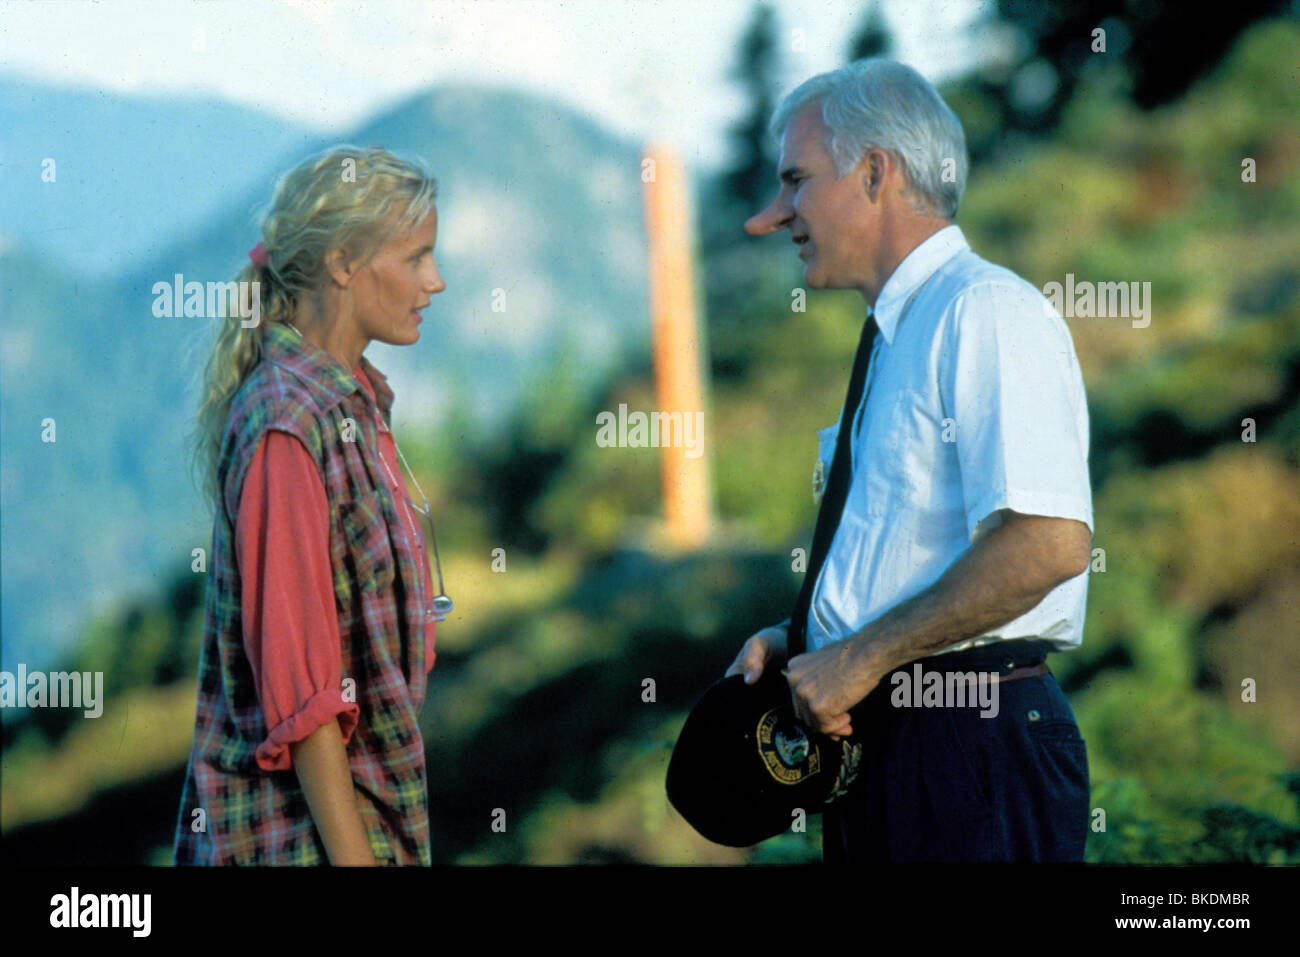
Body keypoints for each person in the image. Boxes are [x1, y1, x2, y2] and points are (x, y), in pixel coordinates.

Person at [726, 59, 1094, 862]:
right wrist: (808, 638)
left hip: (968, 743)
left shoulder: (984, 309)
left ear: (874, 172)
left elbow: (1047, 544)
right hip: (900, 745)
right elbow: (910, 547)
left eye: (795, 180)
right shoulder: (899, 334)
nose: (772, 216)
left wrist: (859, 655)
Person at [174, 145, 447, 865]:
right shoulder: (287, 427)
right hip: (297, 847)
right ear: (343, 262)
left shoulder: (349, 403)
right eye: (417, 258)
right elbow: (306, 706)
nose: (436, 280)